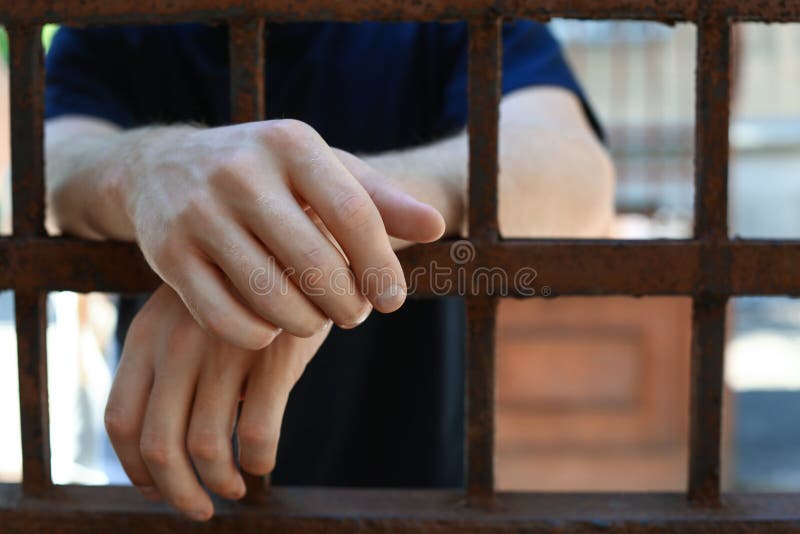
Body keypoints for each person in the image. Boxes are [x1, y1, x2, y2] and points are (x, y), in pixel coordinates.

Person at [44, 21, 614, 521]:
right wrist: (150, 166)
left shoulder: (439, 19)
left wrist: (326, 224)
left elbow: (576, 174)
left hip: (409, 489)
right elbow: (50, 169)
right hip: (175, 471)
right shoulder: (119, 21)